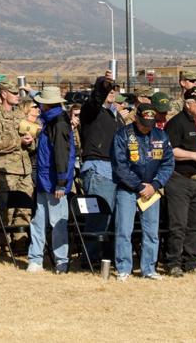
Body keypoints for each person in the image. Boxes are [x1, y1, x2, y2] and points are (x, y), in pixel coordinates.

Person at [111, 103, 174, 280]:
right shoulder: (123, 135)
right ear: (137, 118)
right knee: (124, 230)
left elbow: (168, 163)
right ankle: (124, 268)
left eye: (150, 124)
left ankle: (149, 268)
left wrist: (155, 184)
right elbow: (120, 166)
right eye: (144, 124)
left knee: (152, 231)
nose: (147, 128)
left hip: (152, 190)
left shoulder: (161, 135)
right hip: (128, 189)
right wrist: (139, 186)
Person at [162, 86, 196, 276]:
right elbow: (170, 151)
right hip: (180, 180)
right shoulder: (176, 123)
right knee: (178, 224)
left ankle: (191, 262)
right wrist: (193, 155)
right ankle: (173, 262)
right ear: (188, 104)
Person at [26, 87, 75, 274]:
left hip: (54, 181)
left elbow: (62, 154)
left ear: (47, 104)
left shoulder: (59, 123)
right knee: (39, 220)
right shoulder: (52, 117)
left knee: (58, 222)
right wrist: (31, 92)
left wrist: (61, 182)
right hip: (45, 178)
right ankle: (36, 258)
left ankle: (61, 260)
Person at [77, 71, 122, 264]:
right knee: (98, 215)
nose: (111, 92)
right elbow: (95, 100)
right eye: (109, 90)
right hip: (97, 168)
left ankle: (105, 256)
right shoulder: (91, 111)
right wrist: (103, 84)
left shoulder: (115, 115)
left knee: (111, 216)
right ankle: (90, 257)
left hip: (114, 168)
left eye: (114, 90)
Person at [0, 81, 37, 250]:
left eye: (18, 93)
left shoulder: (20, 116)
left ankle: (20, 243)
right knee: (5, 210)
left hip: (24, 168)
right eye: (14, 93)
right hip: (6, 170)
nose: (17, 95)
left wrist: (30, 142)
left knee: (24, 208)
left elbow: (30, 143)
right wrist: (18, 141)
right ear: (3, 94)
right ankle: (2, 245)